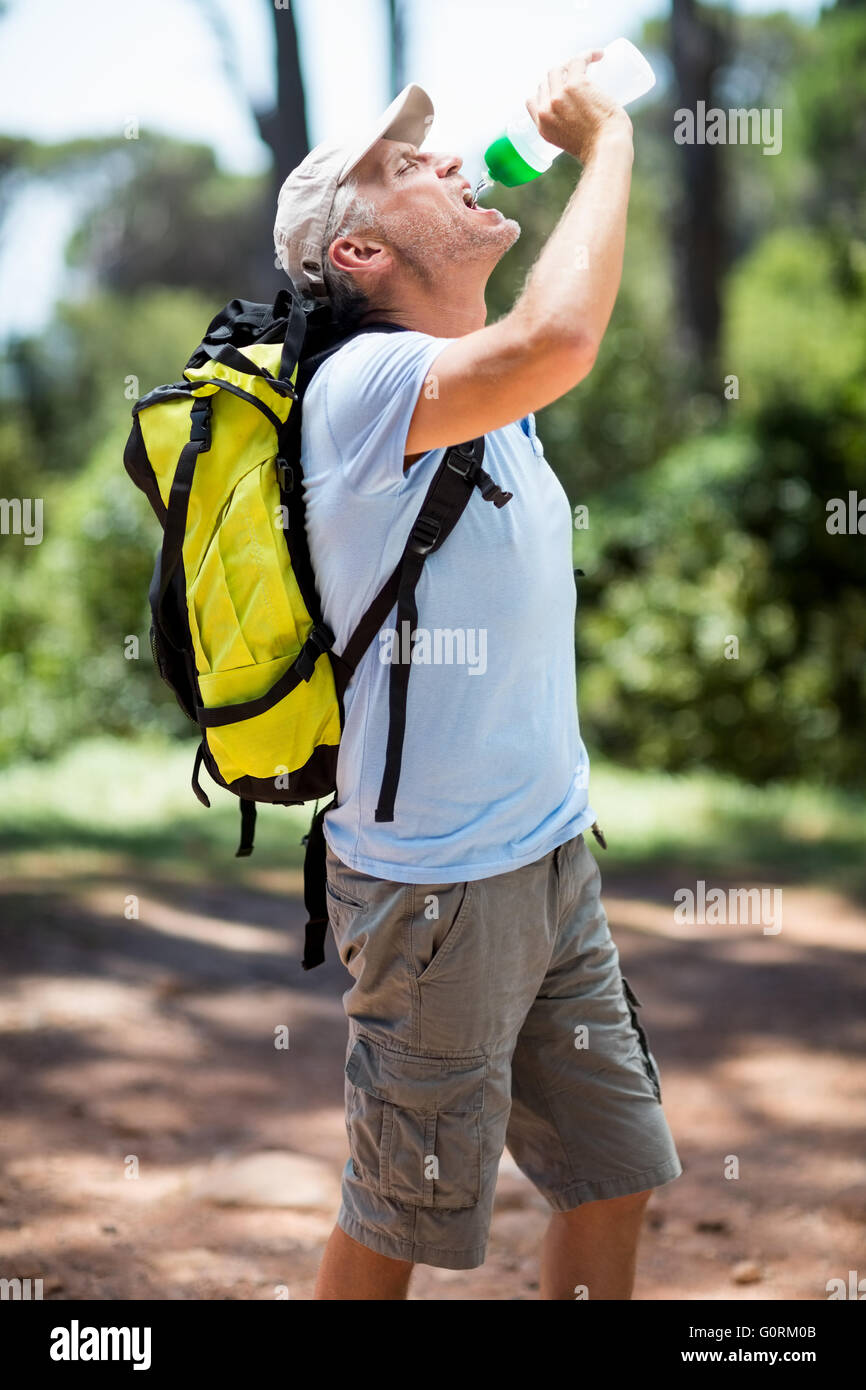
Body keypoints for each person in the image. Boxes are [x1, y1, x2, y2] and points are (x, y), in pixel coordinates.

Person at [273, 52, 682, 1301]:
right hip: (439, 888)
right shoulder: (361, 388)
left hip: (549, 853)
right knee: (403, 1212)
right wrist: (607, 145)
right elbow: (558, 336)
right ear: (356, 258)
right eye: (407, 169)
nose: (450, 158)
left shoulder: (481, 396)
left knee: (610, 1170)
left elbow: (534, 349)